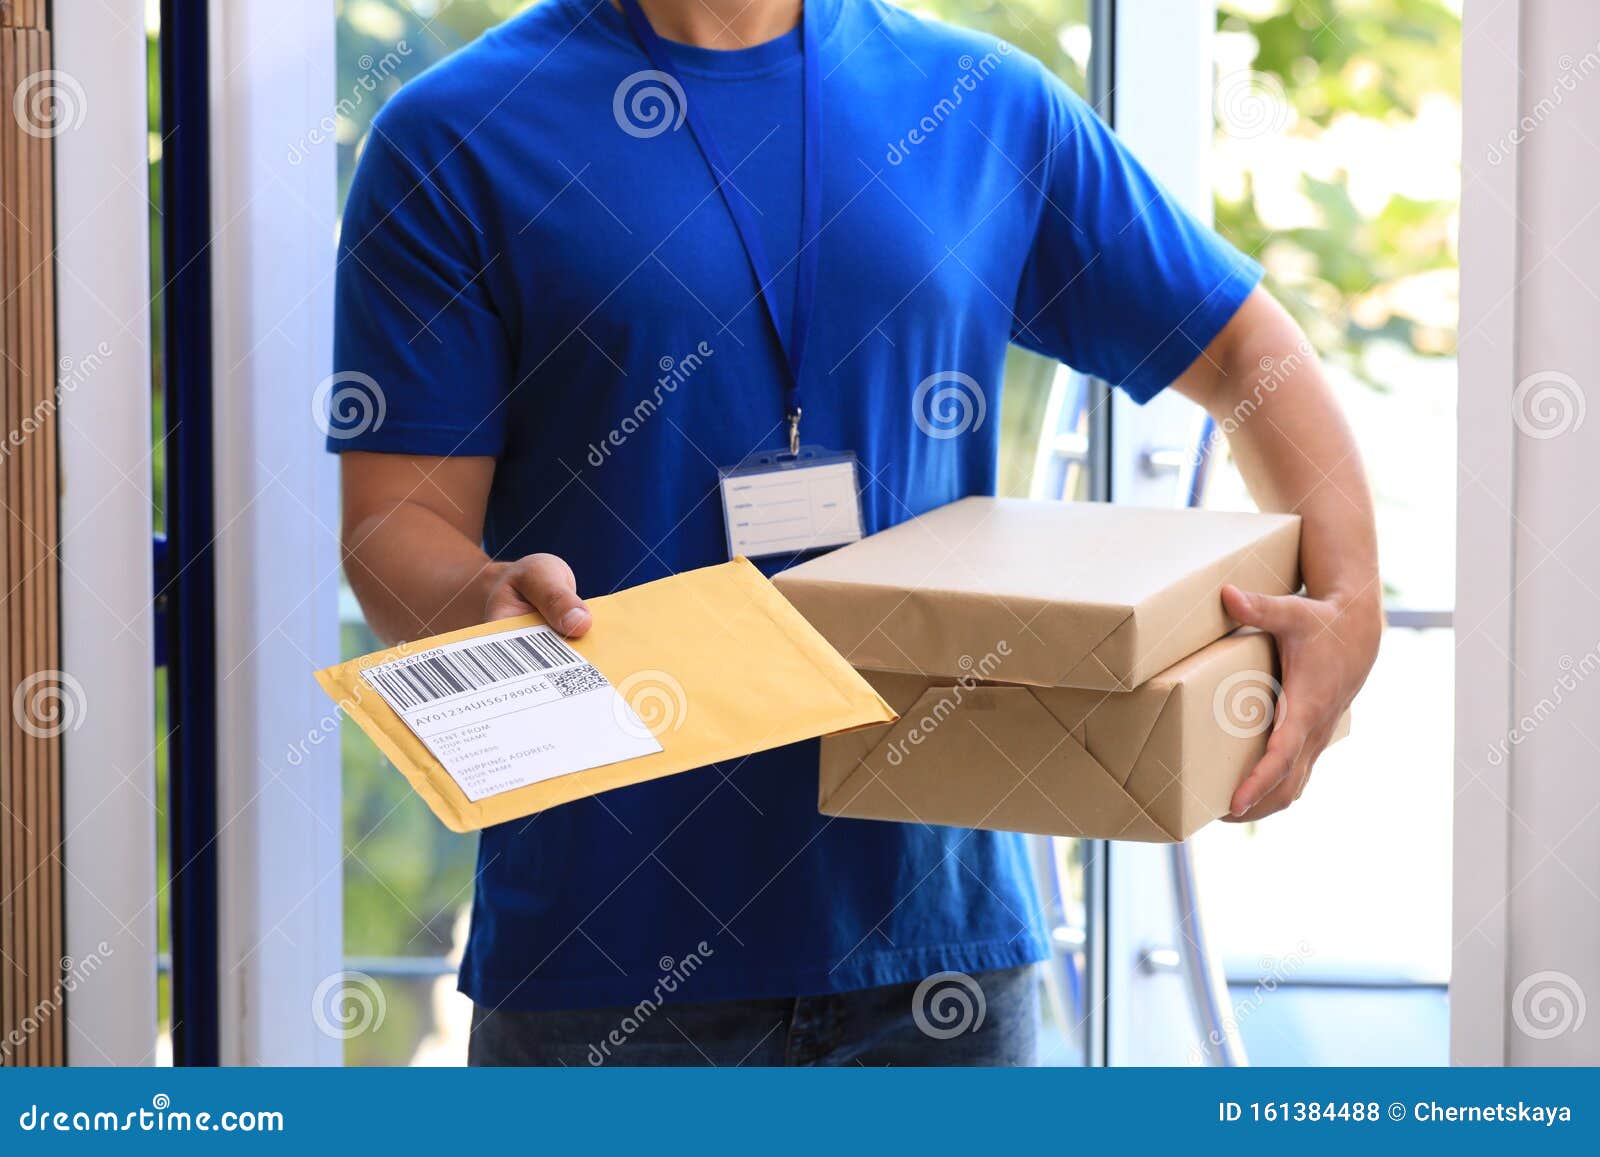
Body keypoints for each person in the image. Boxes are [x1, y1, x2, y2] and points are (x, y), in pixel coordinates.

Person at [331, 0, 1381, 1067]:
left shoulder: (983, 103)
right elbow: (394, 524)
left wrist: (1349, 606)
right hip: (603, 954)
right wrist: (482, 600)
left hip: (939, 951)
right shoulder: (456, 132)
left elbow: (1251, 353)